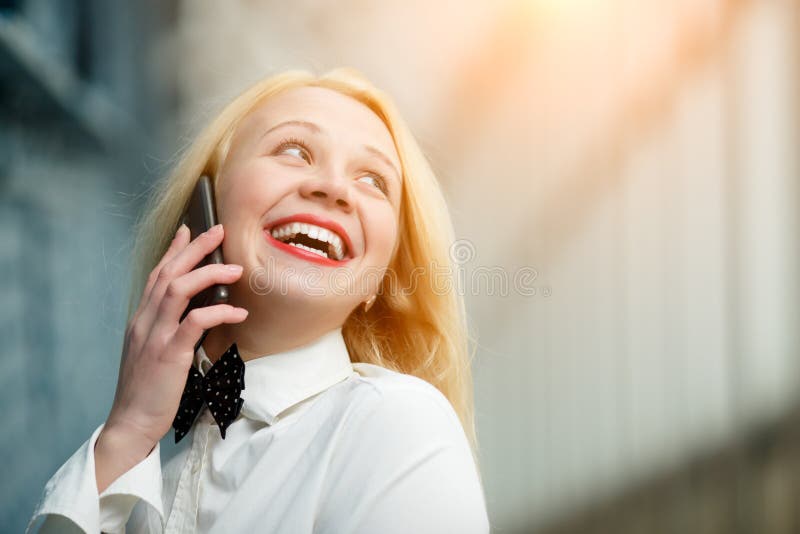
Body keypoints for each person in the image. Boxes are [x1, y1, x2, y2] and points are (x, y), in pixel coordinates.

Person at [27, 67, 490, 533]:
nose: (333, 187)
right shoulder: (144, 484)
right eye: (293, 150)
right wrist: (126, 432)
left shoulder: (399, 424)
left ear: (379, 280)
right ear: (205, 206)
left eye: (374, 180)